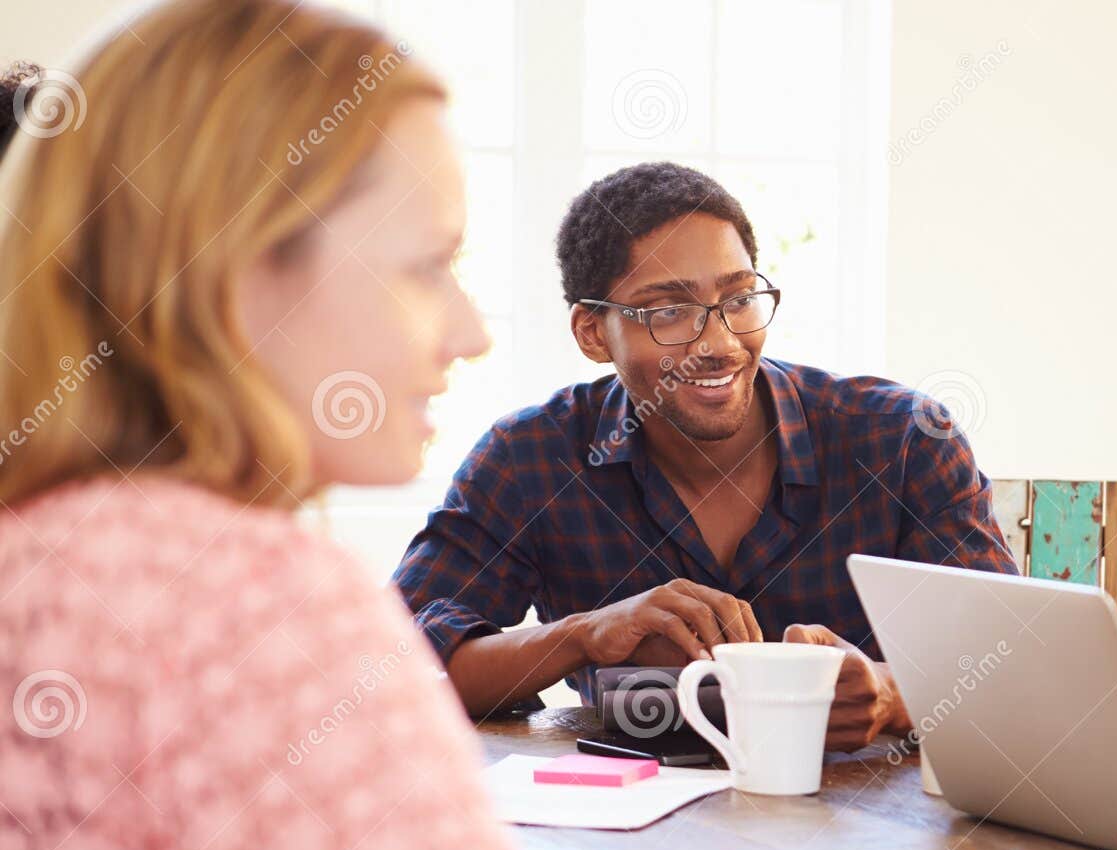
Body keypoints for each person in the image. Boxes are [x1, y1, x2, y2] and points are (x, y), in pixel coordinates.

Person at [0, 0, 943, 850]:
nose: (470, 329)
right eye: (422, 266)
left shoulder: (41, 558)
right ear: (238, 272)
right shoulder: (253, 597)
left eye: (736, 299)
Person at [392, 161, 1017, 749]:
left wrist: (889, 694)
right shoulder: (533, 458)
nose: (719, 344)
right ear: (591, 333)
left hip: (876, 837)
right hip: (621, 841)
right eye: (669, 311)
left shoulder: (903, 441)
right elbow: (397, 667)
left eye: (740, 300)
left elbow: (1010, 666)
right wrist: (586, 634)